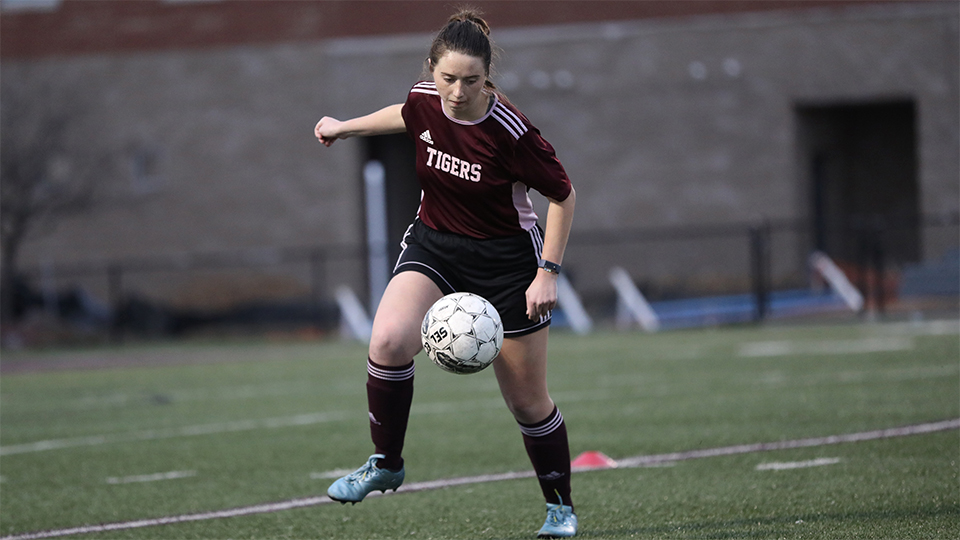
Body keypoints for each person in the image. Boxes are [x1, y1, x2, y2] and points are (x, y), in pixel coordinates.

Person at [314, 8, 577, 538]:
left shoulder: (512, 133)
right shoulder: (426, 98)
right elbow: (406, 115)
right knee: (387, 341)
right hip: (435, 244)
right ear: (432, 69)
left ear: (488, 78)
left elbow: (563, 195)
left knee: (527, 401)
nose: (457, 92)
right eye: (447, 78)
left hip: (508, 264)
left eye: (471, 81)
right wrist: (345, 128)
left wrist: (547, 272)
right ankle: (386, 463)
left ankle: (560, 509)